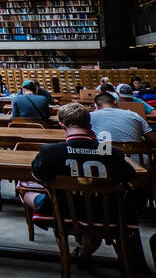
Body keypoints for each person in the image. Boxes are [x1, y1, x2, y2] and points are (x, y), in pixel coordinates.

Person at [26, 103, 137, 260]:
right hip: (107, 215)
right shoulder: (112, 153)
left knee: (26, 194)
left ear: (61, 125)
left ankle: (80, 247)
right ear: (89, 124)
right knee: (92, 203)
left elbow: (38, 177)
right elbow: (129, 177)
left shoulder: (50, 151)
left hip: (65, 212)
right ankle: (87, 251)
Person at [90, 90, 156, 144]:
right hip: (136, 156)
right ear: (115, 102)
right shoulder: (134, 115)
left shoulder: (90, 116)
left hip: (105, 156)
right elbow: (151, 139)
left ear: (97, 106)